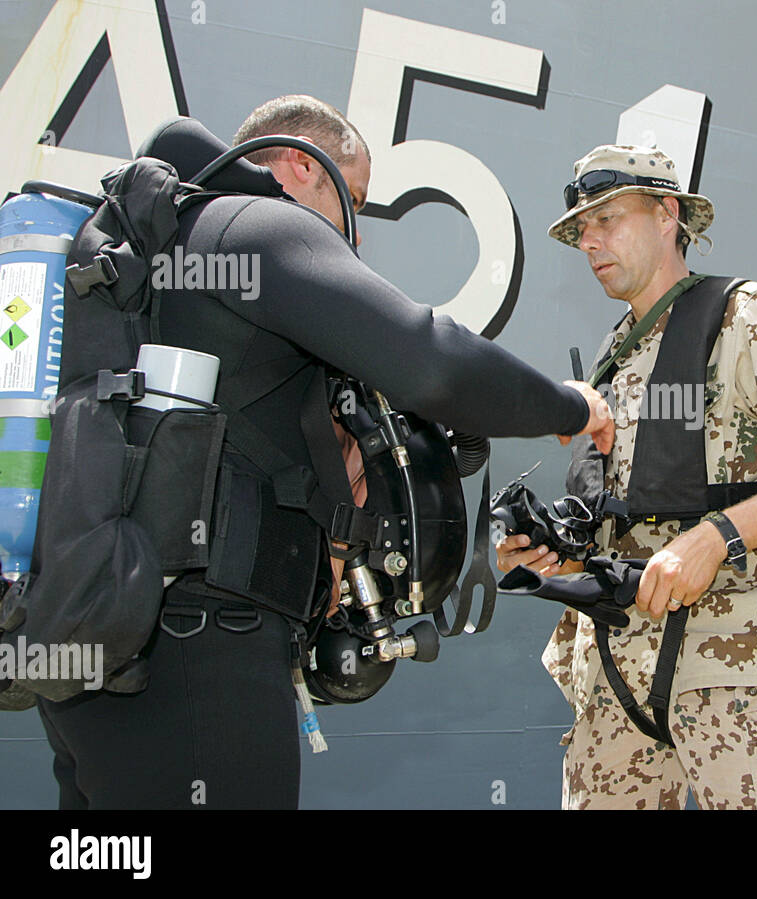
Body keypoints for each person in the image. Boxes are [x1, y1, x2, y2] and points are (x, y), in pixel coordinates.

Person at [35, 96, 614, 810]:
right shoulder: (254, 227)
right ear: (301, 165)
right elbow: (433, 363)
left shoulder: (150, 258)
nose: (357, 238)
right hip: (201, 654)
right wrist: (569, 406)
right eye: (356, 201)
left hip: (95, 647)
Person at [495, 145, 757, 809]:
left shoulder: (743, 316)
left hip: (736, 675)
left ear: (667, 213)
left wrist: (716, 536)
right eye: (581, 231)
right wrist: (548, 555)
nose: (590, 242)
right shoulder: (614, 359)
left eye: (607, 220)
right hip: (613, 685)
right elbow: (621, 524)